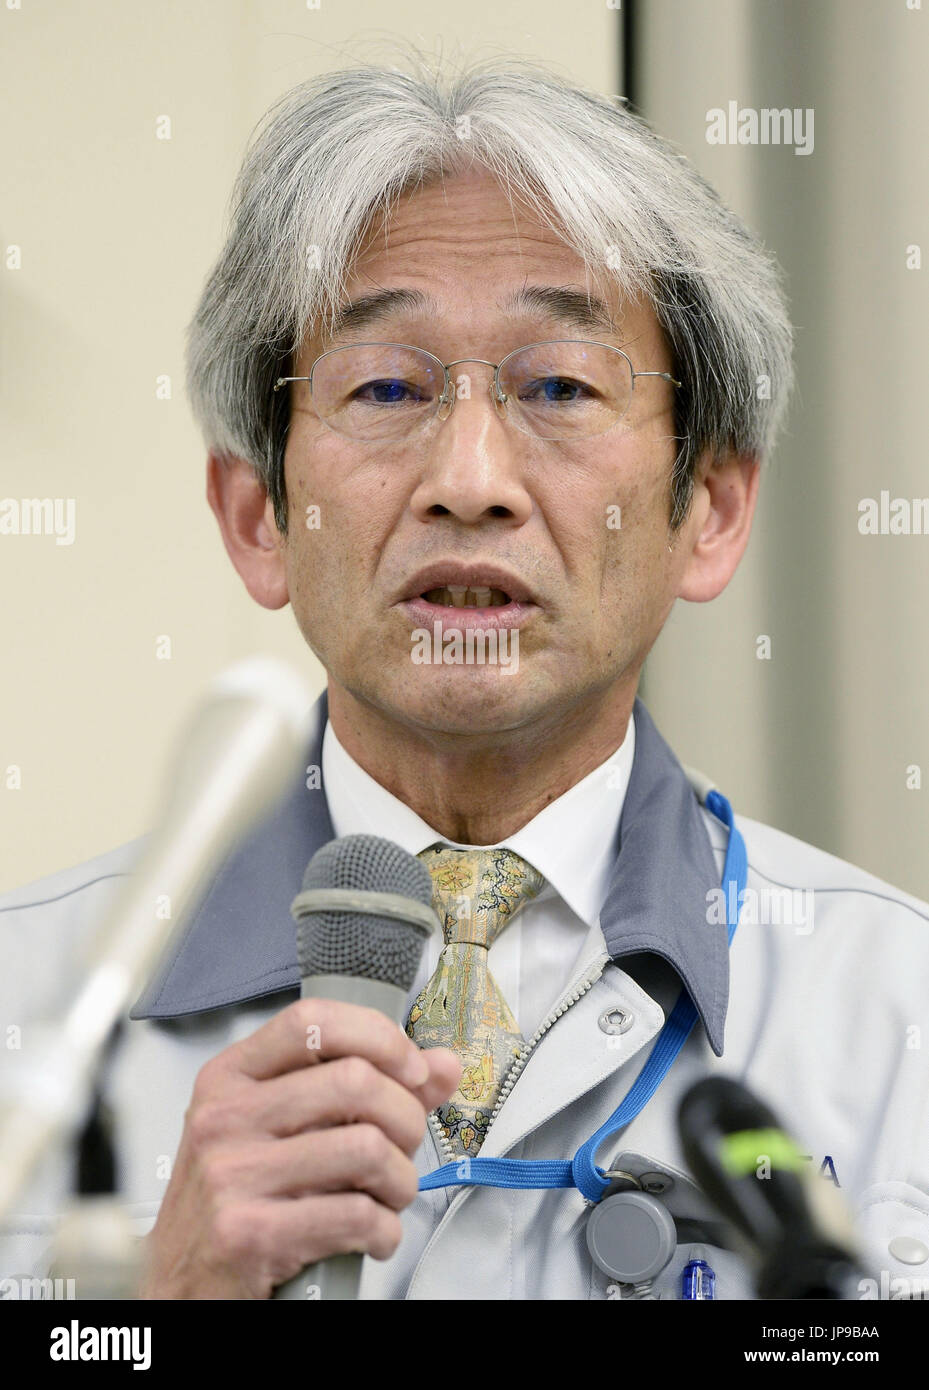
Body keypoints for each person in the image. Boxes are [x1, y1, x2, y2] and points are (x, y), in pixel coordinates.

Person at [2, 54, 927, 1302]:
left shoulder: (897, 1019)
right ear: (255, 516)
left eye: (558, 386)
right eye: (386, 386)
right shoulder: (32, 1015)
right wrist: (154, 1303)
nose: (469, 476)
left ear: (706, 508)